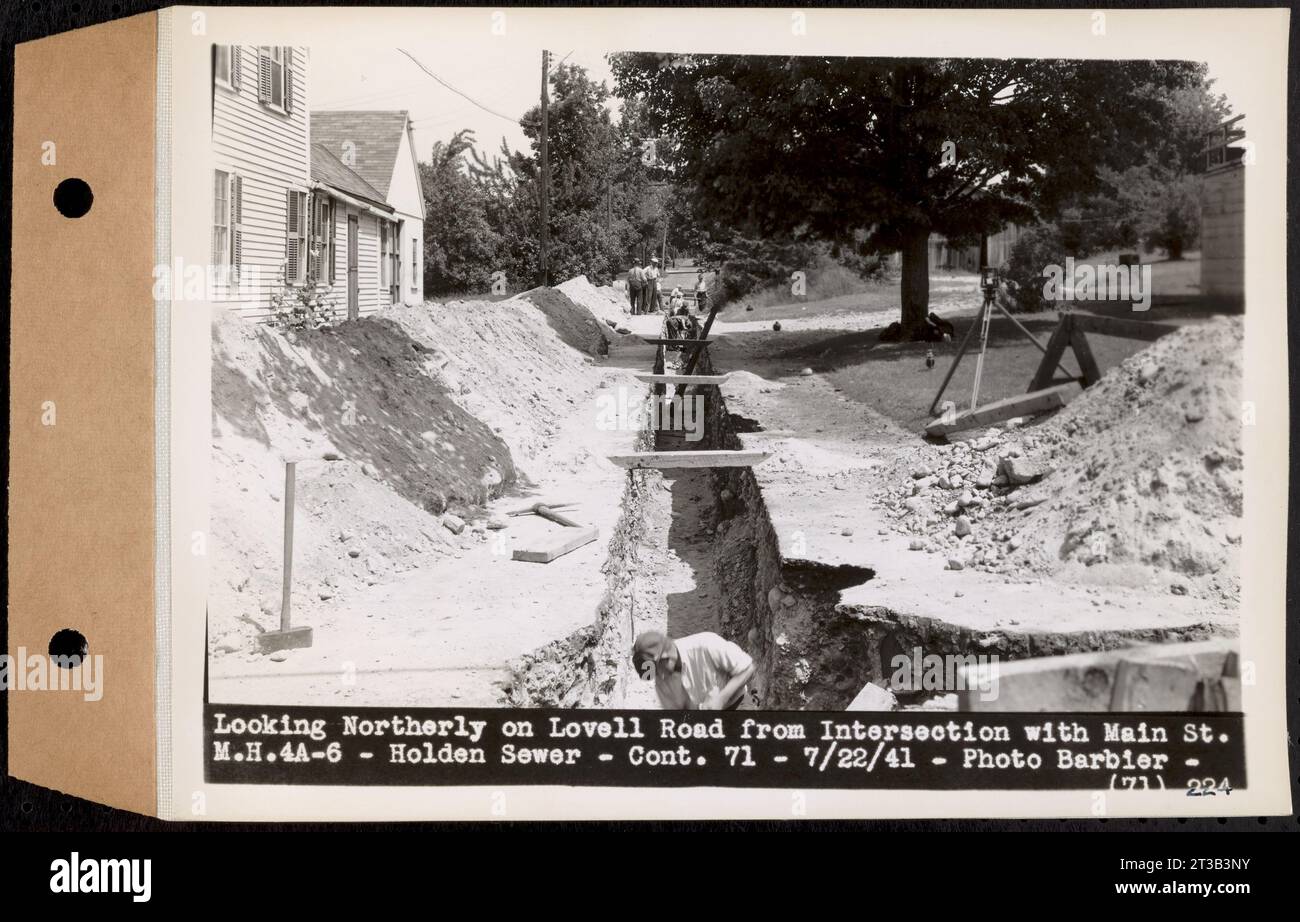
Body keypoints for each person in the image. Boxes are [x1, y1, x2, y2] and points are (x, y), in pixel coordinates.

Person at [632, 630, 756, 710]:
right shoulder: (661, 679)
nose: (660, 678)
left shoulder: (706, 644)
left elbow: (747, 667)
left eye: (658, 672)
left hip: (737, 704)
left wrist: (721, 699)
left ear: (666, 657)